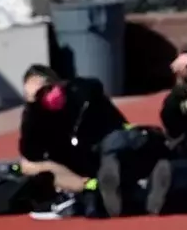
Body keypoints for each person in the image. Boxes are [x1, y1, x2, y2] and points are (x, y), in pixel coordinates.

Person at [16, 65, 174, 217]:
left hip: (104, 150)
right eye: (39, 94)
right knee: (29, 166)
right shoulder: (35, 116)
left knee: (117, 144)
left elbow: (115, 123)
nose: (47, 95)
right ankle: (97, 190)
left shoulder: (86, 93)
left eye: (49, 88)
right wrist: (31, 109)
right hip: (75, 164)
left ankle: (130, 186)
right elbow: (30, 153)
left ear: (58, 82)